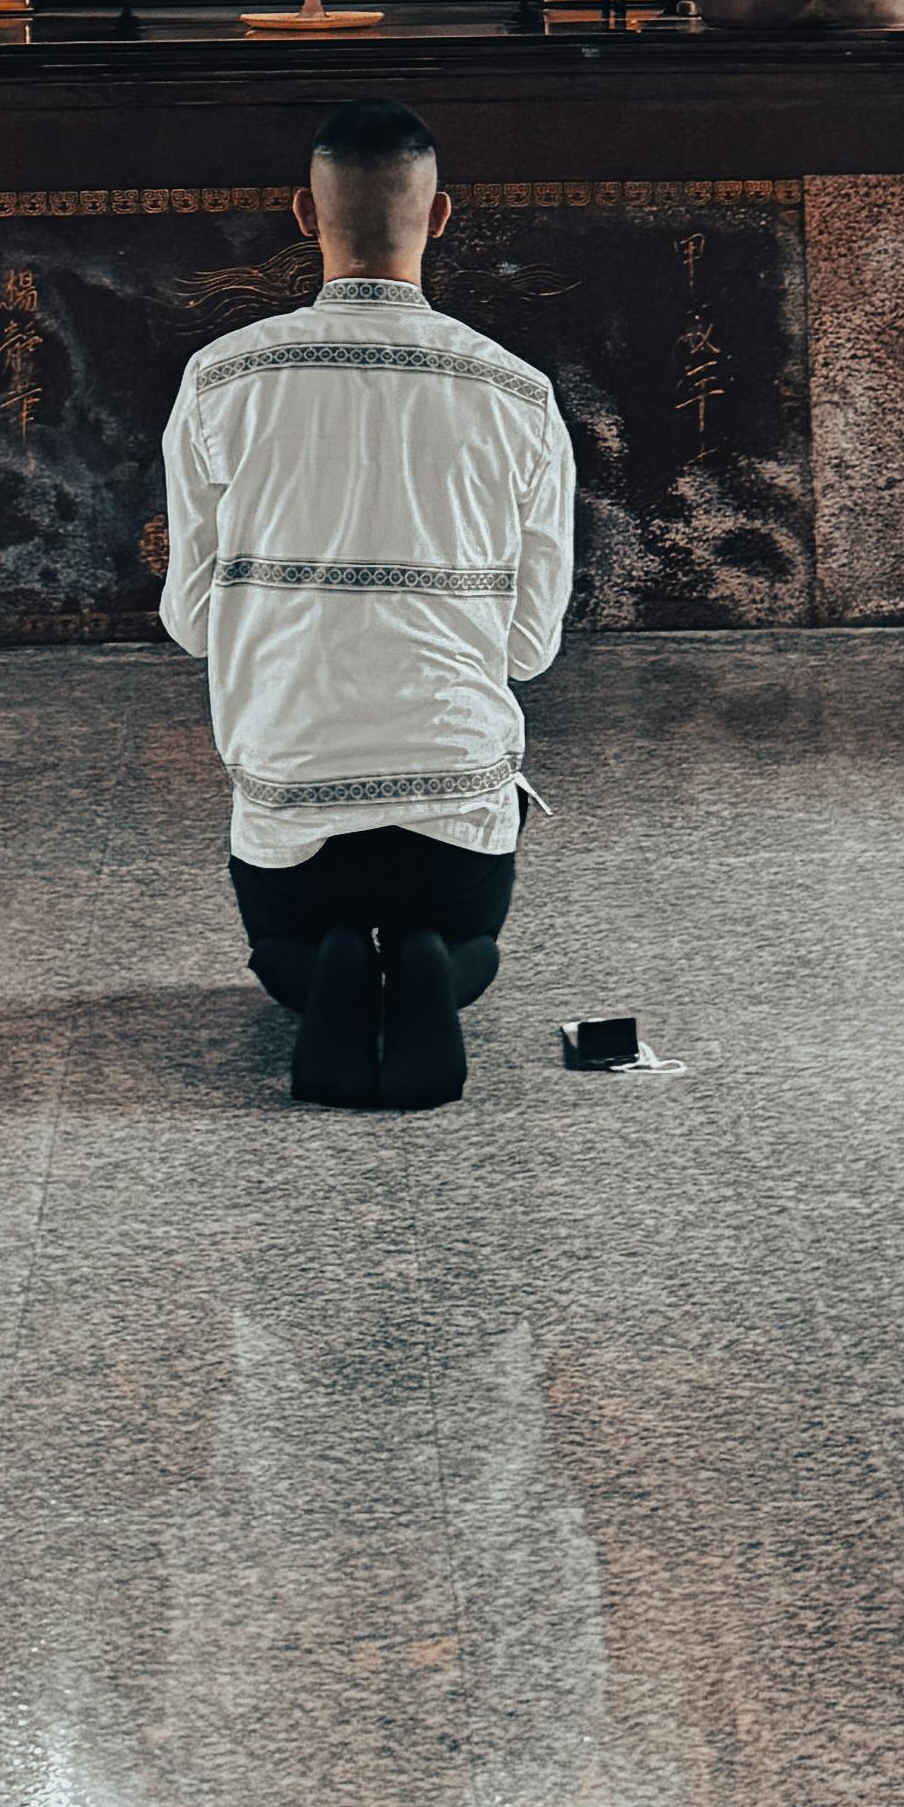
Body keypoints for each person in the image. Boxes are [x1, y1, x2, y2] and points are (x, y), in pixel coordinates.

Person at [158, 96, 577, 1112]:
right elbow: (529, 647)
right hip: (457, 815)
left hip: (294, 813)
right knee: (474, 944)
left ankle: (328, 963)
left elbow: (191, 618)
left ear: (305, 214)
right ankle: (434, 959)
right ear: (441, 219)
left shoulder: (224, 377)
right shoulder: (519, 395)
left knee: (282, 958)